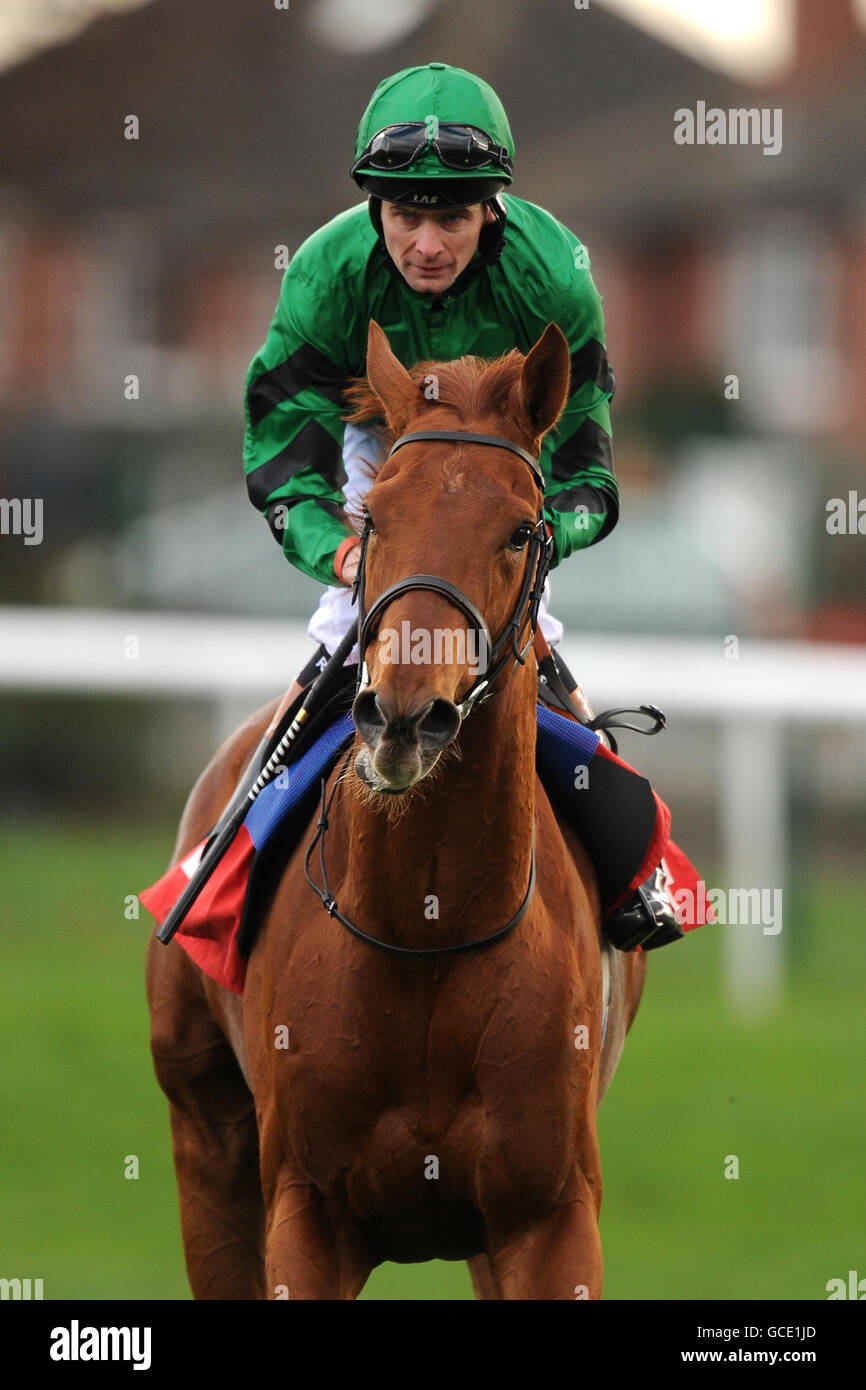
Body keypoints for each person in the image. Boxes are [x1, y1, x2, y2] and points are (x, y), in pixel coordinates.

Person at [242, 62, 682, 951]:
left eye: (451, 216)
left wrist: (529, 541)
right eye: (406, 215)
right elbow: (283, 441)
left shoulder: (555, 278)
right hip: (386, 463)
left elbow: (589, 472)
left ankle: (645, 877)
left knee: (544, 674)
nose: (428, 244)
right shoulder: (327, 276)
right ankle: (220, 872)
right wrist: (338, 548)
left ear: (493, 209)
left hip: (503, 477)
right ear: (375, 209)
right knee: (326, 673)